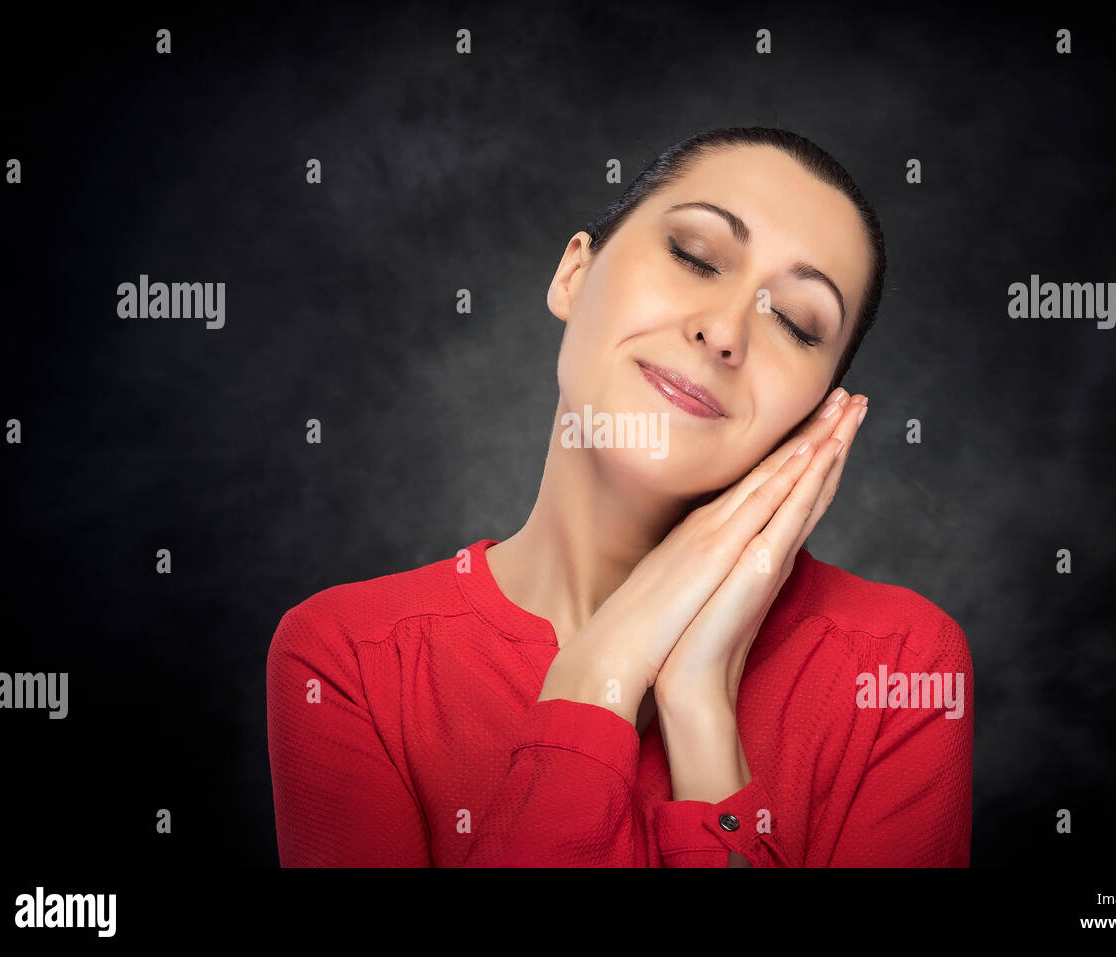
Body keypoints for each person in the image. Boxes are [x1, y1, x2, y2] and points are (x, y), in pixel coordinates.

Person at [266, 126, 973, 867]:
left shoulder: (900, 668)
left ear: (819, 408)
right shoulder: (345, 658)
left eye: (796, 322)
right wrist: (601, 674)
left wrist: (700, 707)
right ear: (574, 273)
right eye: (695, 257)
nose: (725, 330)